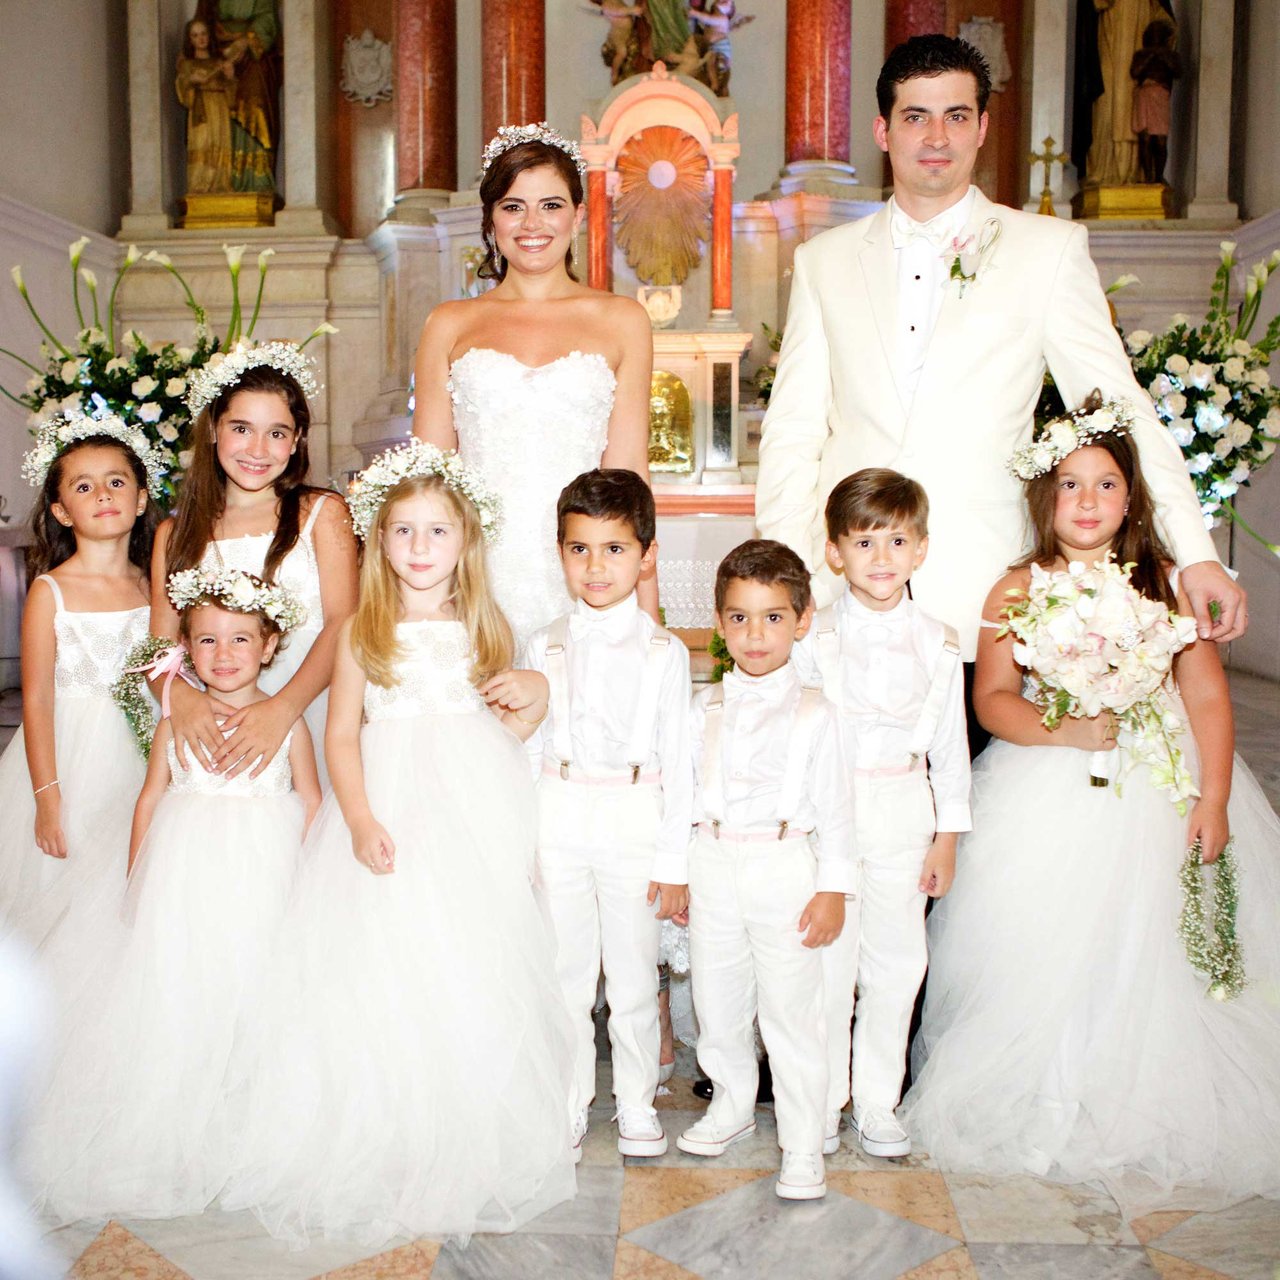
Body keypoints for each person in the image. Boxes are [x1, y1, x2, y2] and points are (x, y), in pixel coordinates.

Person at [755, 34, 1245, 684]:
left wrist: (1197, 553)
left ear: (982, 127)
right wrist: (791, 574)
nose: (937, 137)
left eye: (956, 116)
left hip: (983, 595)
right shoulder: (824, 261)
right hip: (844, 591)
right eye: (915, 116)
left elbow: (1122, 409)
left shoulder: (1048, 250)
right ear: (882, 129)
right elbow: (793, 433)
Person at [901, 406, 1280, 1215]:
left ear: (1132, 498)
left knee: (1146, 938)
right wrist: (1065, 728)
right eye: (1069, 484)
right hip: (1050, 780)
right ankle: (1048, 1087)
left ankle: (1137, 1089)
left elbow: (1207, 697)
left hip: (1158, 782)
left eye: (1106, 484)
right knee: (1044, 935)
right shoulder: (1013, 588)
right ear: (1044, 498)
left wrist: (1211, 796)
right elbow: (993, 700)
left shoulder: (1167, 582)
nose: (1087, 499)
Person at [223, 440, 577, 1247]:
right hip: (390, 809)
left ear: (466, 544)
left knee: (467, 961)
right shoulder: (361, 632)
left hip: (473, 810)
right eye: (404, 531)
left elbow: (510, 728)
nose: (420, 549)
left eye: (437, 532)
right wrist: (358, 819)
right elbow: (342, 737)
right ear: (379, 542)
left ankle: (463, 1120)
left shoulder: (487, 627)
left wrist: (536, 699)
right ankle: (388, 1124)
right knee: (384, 964)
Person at [22, 571, 318, 1222]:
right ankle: (185, 1113)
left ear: (270, 646)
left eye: (241, 638)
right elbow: (150, 798)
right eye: (206, 640)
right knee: (186, 985)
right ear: (185, 649)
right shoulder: (170, 728)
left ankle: (246, 1115)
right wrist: (136, 879)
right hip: (185, 881)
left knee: (255, 988)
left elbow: (311, 803)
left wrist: (309, 885)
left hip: (262, 878)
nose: (223, 653)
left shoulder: (288, 727)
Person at [411, 122, 655, 647]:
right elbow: (428, 482)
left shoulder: (622, 320)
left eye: (550, 205)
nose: (531, 223)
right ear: (491, 218)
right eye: (512, 206)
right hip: (474, 574)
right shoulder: (448, 323)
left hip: (583, 571)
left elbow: (630, 479)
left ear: (578, 214)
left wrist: (647, 623)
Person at [793, 469, 969, 1160]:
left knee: (896, 964)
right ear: (835, 551)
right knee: (829, 965)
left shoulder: (939, 640)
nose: (882, 557)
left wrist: (946, 837)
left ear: (921, 548)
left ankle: (878, 1101)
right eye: (864, 542)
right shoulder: (811, 636)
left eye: (898, 540)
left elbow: (950, 749)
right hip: (830, 812)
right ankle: (825, 1099)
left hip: (903, 808)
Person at [677, 541, 857, 1202]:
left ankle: (803, 1140)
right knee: (718, 1002)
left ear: (803, 619)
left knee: (792, 1011)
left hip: (786, 866)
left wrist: (833, 887)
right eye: (741, 618)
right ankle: (729, 1104)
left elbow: (839, 811)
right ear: (720, 623)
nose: (757, 635)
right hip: (714, 861)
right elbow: (681, 797)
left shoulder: (818, 712)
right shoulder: (703, 710)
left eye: (774, 617)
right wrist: (679, 870)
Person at [521, 469, 692, 1162]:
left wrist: (673, 862)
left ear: (647, 554)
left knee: (630, 975)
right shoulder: (544, 643)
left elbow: (681, 762)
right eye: (580, 549)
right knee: (564, 973)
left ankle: (636, 1104)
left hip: (632, 816)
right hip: (560, 812)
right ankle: (565, 1102)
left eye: (615, 549)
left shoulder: (664, 651)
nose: (596, 566)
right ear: (559, 553)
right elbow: (529, 748)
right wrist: (526, 844)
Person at [152, 343, 358, 786]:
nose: (258, 449)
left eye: (277, 433)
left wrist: (283, 709)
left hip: (313, 703)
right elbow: (157, 648)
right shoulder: (175, 534)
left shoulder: (321, 513)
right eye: (242, 428)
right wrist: (180, 698)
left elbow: (344, 620)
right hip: (215, 721)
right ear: (213, 430)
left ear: (298, 439)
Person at [0, 413, 161, 956]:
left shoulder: (154, 585)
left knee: (133, 877)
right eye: (83, 486)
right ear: (62, 511)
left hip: (146, 746)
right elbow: (38, 698)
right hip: (74, 756)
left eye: (116, 481)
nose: (103, 495)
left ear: (141, 498)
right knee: (71, 890)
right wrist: (47, 797)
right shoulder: (52, 591)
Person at [175, 16, 235, 194]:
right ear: (190, 40)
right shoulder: (187, 64)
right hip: (200, 107)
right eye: (195, 35)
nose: (200, 39)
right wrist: (190, 80)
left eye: (203, 34)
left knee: (219, 141)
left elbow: (232, 91)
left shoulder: (219, 62)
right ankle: (199, 185)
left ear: (209, 36)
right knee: (203, 142)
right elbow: (181, 87)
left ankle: (220, 184)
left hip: (219, 106)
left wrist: (230, 77)